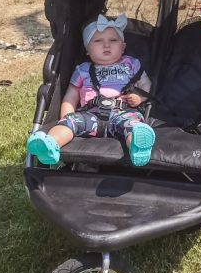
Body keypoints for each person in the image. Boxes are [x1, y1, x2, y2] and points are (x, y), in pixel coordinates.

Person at [26, 13, 155, 167]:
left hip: (123, 112)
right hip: (89, 114)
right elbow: (71, 96)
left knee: (132, 126)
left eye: (113, 40)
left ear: (123, 47)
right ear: (87, 50)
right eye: (98, 41)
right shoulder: (83, 70)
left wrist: (140, 98)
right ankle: (50, 144)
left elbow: (147, 85)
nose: (106, 45)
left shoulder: (131, 64)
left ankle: (138, 147)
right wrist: (67, 118)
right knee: (68, 124)